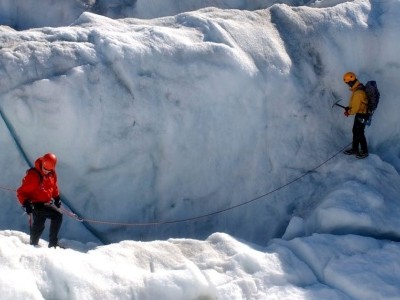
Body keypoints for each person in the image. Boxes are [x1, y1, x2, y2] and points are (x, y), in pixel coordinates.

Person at [17, 153, 63, 248]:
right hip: (35, 204)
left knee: (39, 225)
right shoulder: (33, 175)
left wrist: (57, 197)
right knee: (57, 215)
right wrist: (25, 203)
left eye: (49, 170)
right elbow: (21, 192)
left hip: (46, 202)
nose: (46, 171)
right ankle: (53, 244)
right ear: (42, 163)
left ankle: (33, 245)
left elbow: (53, 187)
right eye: (45, 169)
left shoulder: (52, 173)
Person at [342, 72, 369, 159]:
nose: (347, 85)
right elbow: (355, 104)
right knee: (356, 131)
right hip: (361, 114)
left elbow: (355, 108)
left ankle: (364, 151)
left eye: (347, 83)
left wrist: (348, 112)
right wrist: (349, 107)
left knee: (359, 132)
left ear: (350, 81)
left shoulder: (358, 93)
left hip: (362, 115)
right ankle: (355, 149)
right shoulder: (358, 88)